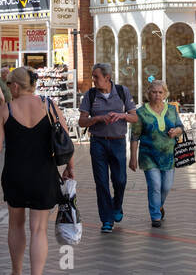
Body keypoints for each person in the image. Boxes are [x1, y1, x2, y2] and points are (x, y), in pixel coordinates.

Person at [0, 66, 73, 275]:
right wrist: (70, 168)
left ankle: (16, 274)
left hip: (15, 175)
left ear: (15, 86)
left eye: (9, 83)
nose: (8, 87)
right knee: (39, 229)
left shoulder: (6, 109)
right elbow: (65, 138)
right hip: (44, 175)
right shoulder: (49, 105)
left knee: (16, 225)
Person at [78, 63, 137, 233]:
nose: (93, 80)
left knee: (120, 180)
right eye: (93, 76)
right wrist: (97, 119)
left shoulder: (122, 91)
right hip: (98, 143)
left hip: (118, 142)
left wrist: (122, 115)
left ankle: (117, 205)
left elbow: (135, 118)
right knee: (101, 182)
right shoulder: (90, 95)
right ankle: (106, 219)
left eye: (96, 77)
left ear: (107, 77)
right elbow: (81, 122)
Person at [129, 80, 184, 227]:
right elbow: (134, 136)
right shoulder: (141, 112)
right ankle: (155, 216)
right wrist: (132, 158)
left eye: (160, 92)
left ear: (165, 94)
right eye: (154, 92)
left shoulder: (172, 110)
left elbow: (180, 127)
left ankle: (159, 205)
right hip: (148, 156)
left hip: (169, 156)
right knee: (155, 185)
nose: (157, 95)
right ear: (148, 93)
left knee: (166, 186)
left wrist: (176, 131)